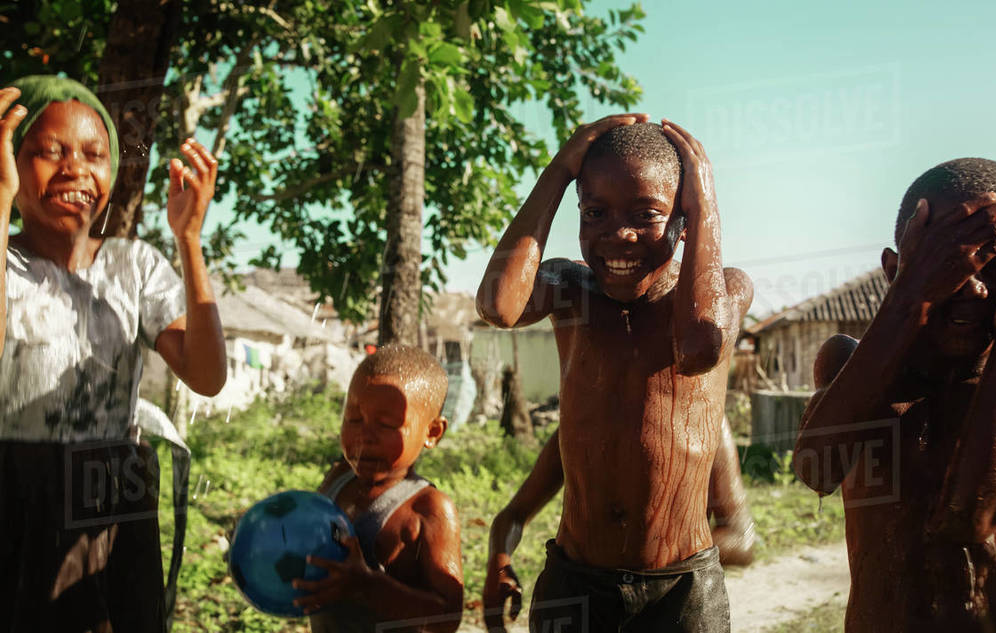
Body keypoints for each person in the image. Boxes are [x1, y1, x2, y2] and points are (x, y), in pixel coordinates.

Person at [0, 75, 227, 633]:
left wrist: (190, 240)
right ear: (6, 159)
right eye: (48, 151)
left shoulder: (137, 266)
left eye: (94, 153)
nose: (75, 168)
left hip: (109, 498)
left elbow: (205, 375)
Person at [476, 114, 751, 632]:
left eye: (647, 214)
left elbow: (698, 347)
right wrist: (557, 171)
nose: (618, 235)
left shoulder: (727, 291)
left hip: (682, 588)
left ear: (684, 219)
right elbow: (498, 305)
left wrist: (706, 201)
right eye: (595, 212)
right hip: (577, 582)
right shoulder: (569, 290)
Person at [793, 157, 996, 631]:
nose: (974, 290)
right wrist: (911, 297)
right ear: (893, 270)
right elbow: (815, 469)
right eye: (949, 268)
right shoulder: (854, 366)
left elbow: (971, 515)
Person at [481, 418, 756, 631]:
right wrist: (500, 561)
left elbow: (741, 537)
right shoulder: (583, 416)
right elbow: (514, 514)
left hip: (674, 601)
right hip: (578, 594)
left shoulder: (704, 415)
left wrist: (669, 553)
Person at [298, 344, 464, 633]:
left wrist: (369, 587)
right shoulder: (338, 478)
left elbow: (448, 616)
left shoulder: (428, 510)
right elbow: (307, 533)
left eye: (386, 425)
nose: (365, 436)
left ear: (432, 432)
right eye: (353, 419)